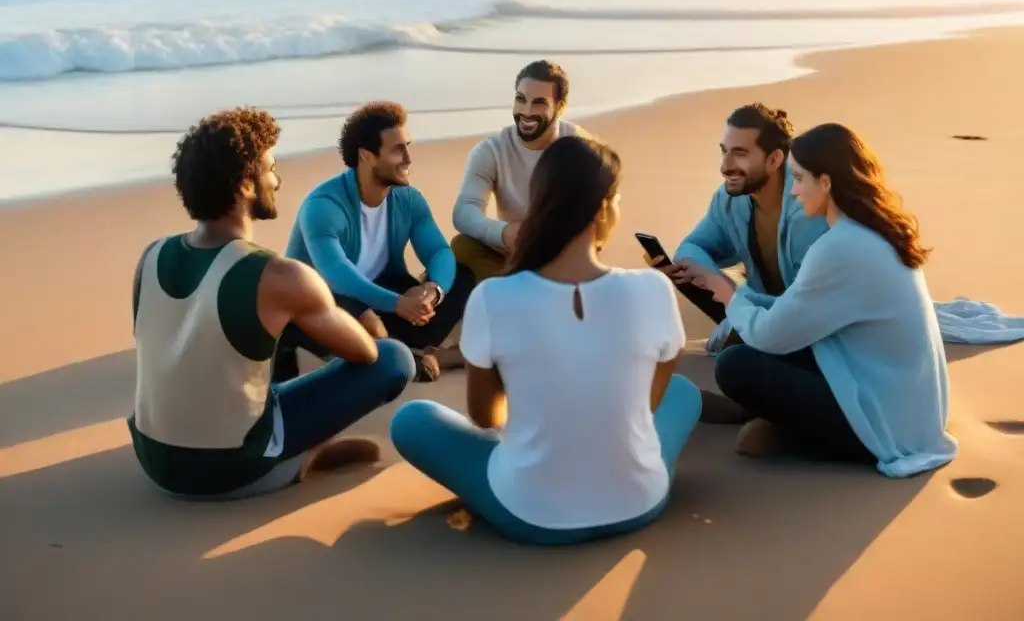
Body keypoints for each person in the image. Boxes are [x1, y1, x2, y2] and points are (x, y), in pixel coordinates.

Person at [391, 135, 703, 546]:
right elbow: (646, 404)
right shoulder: (654, 289)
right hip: (639, 502)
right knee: (683, 393)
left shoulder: (494, 297)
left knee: (411, 420)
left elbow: (487, 418)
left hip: (532, 514)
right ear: (604, 207)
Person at [128, 107, 416, 500]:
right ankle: (298, 458)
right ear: (246, 185)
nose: (277, 180)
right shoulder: (279, 275)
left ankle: (284, 438)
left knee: (255, 353)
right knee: (394, 359)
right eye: (270, 168)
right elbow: (366, 353)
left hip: (154, 461)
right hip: (233, 468)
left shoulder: (151, 256)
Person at [683, 123, 958, 477]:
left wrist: (729, 298)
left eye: (799, 179)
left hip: (887, 427)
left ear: (825, 183)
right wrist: (741, 299)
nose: (793, 191)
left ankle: (792, 435)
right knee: (754, 342)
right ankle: (775, 422)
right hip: (908, 405)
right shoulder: (876, 230)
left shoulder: (839, 247)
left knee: (736, 364)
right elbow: (797, 312)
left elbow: (771, 335)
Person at [646, 104, 829, 423]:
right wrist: (711, 281)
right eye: (724, 151)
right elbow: (693, 246)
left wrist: (737, 305)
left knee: (733, 362)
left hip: (815, 333)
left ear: (774, 159)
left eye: (740, 153)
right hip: (763, 317)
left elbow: (811, 313)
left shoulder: (806, 211)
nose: (725, 166)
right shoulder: (731, 198)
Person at [278, 100, 473, 383]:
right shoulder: (322, 206)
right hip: (325, 302)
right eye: (397, 149)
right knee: (352, 311)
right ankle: (388, 351)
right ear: (366, 156)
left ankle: (395, 348)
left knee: (462, 277)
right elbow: (337, 276)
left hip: (383, 297)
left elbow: (439, 251)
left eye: (408, 146)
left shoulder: (408, 200)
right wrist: (397, 304)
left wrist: (432, 290)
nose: (408, 158)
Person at [451, 60, 585, 282]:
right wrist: (505, 233)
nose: (527, 112)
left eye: (539, 103)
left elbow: (604, 216)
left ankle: (518, 292)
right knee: (461, 246)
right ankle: (518, 290)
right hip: (513, 253)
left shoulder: (579, 147)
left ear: (560, 106)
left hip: (564, 257)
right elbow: (464, 212)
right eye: (521, 99)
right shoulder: (491, 150)